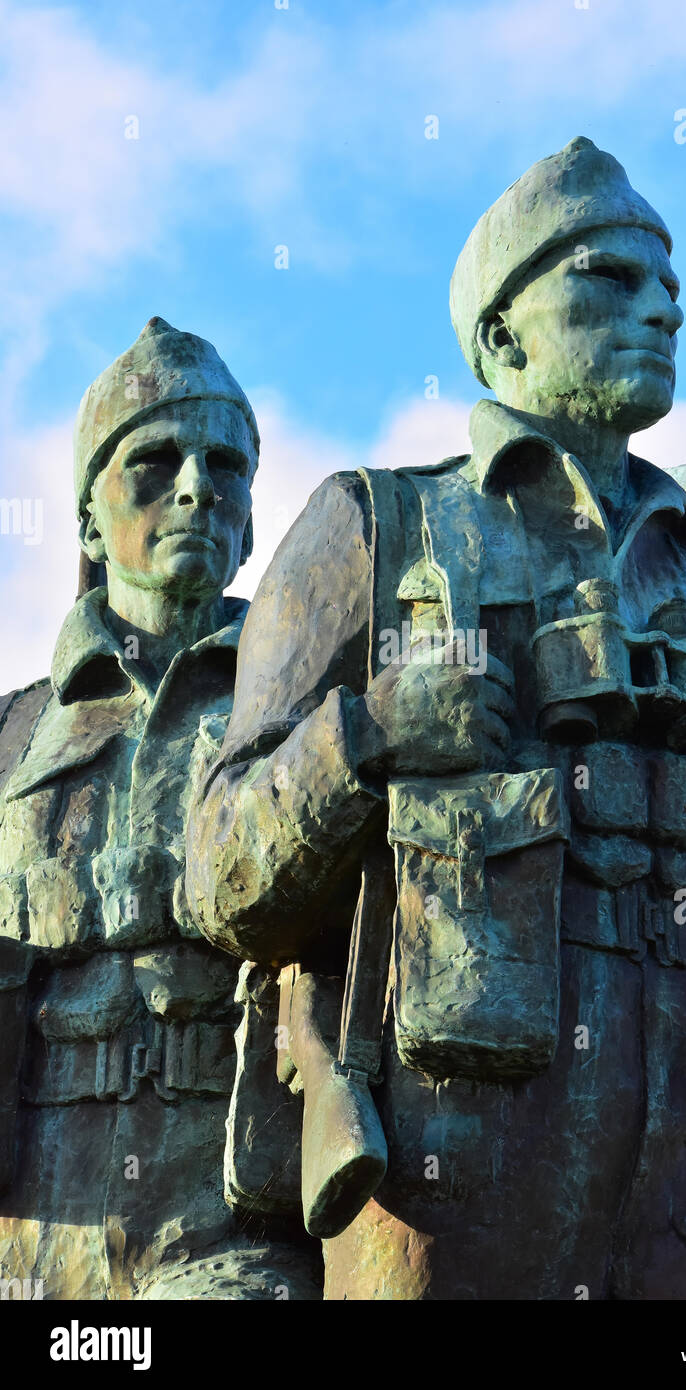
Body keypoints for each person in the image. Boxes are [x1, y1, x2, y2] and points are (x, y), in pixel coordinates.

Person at [186, 140, 686, 1300]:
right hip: (449, 1210)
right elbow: (219, 875)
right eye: (611, 278)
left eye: (671, 292)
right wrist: (369, 736)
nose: (660, 310)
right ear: (502, 336)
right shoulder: (378, 527)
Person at [0, 317, 320, 1299]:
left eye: (224, 465)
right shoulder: (11, 739)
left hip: (231, 1228)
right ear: (90, 520)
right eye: (154, 461)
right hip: (29, 1238)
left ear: (253, 522)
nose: (194, 486)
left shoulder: (302, 711)